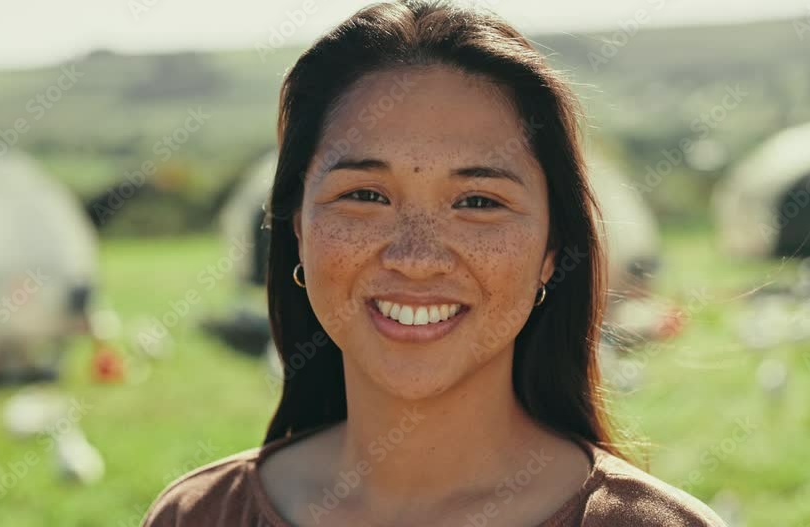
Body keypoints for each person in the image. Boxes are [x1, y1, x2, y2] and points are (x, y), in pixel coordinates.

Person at [142, 1, 727, 525]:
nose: (415, 259)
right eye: (366, 196)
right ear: (298, 230)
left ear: (553, 250)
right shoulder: (198, 515)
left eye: (478, 202)